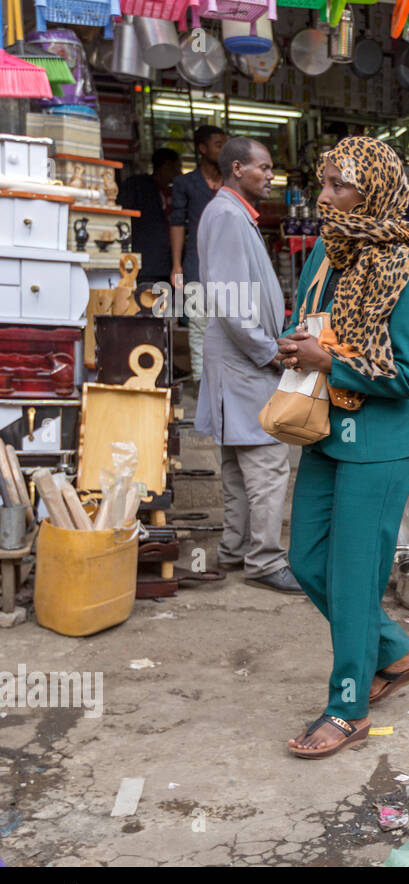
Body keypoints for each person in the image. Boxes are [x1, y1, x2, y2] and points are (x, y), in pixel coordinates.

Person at [276, 137, 409, 759]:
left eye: (339, 186)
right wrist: (296, 347)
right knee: (306, 560)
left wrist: (331, 363)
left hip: (381, 441)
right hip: (325, 431)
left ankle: (347, 707)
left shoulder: (406, 264)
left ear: (371, 190)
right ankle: (397, 652)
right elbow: (314, 322)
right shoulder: (326, 249)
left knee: (352, 579)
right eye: (324, 183)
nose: (324, 196)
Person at [194, 137, 301, 595]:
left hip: (242, 361)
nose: (270, 174)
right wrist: (269, 350)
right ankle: (264, 560)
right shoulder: (226, 215)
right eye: (264, 166)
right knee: (268, 464)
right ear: (237, 168)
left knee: (240, 468)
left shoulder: (234, 214)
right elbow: (229, 300)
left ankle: (235, 550)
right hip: (245, 363)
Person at [171, 125, 228, 382]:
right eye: (218, 144)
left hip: (228, 265)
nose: (223, 149)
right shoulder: (186, 183)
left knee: (229, 322)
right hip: (195, 263)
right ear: (202, 149)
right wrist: (176, 266)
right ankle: (201, 382)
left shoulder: (231, 183)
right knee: (198, 326)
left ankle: (225, 382)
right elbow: (177, 224)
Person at [118, 147, 182, 286]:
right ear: (166, 166)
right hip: (145, 263)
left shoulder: (174, 192)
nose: (179, 172)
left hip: (169, 264)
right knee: (145, 302)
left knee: (168, 304)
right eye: (177, 167)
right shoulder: (137, 186)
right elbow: (122, 215)